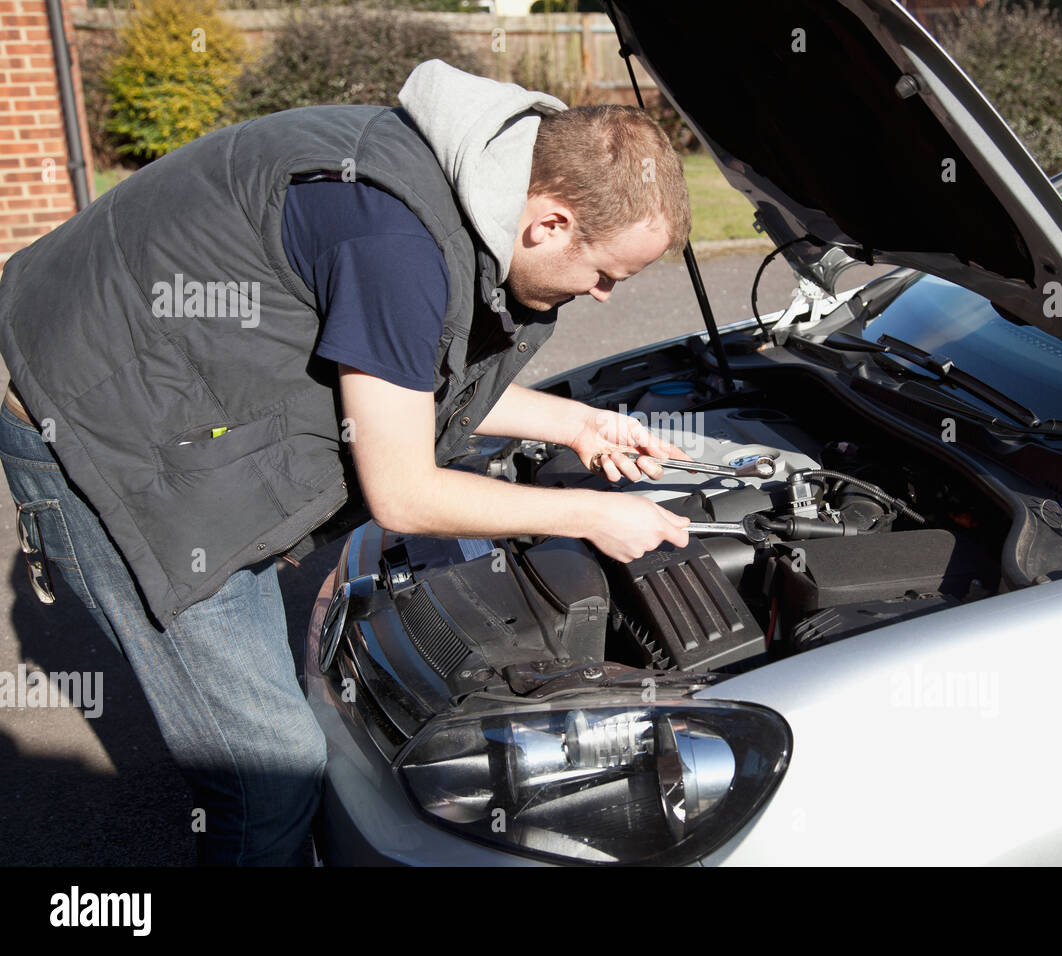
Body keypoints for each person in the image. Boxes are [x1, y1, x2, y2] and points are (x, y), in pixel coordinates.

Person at [0, 58, 694, 864]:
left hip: (175, 407)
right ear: (549, 222)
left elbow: (407, 379)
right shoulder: (395, 238)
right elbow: (404, 493)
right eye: (606, 275)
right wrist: (592, 513)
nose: (606, 296)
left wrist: (578, 425)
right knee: (269, 774)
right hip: (104, 444)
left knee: (273, 739)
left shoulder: (455, 185)